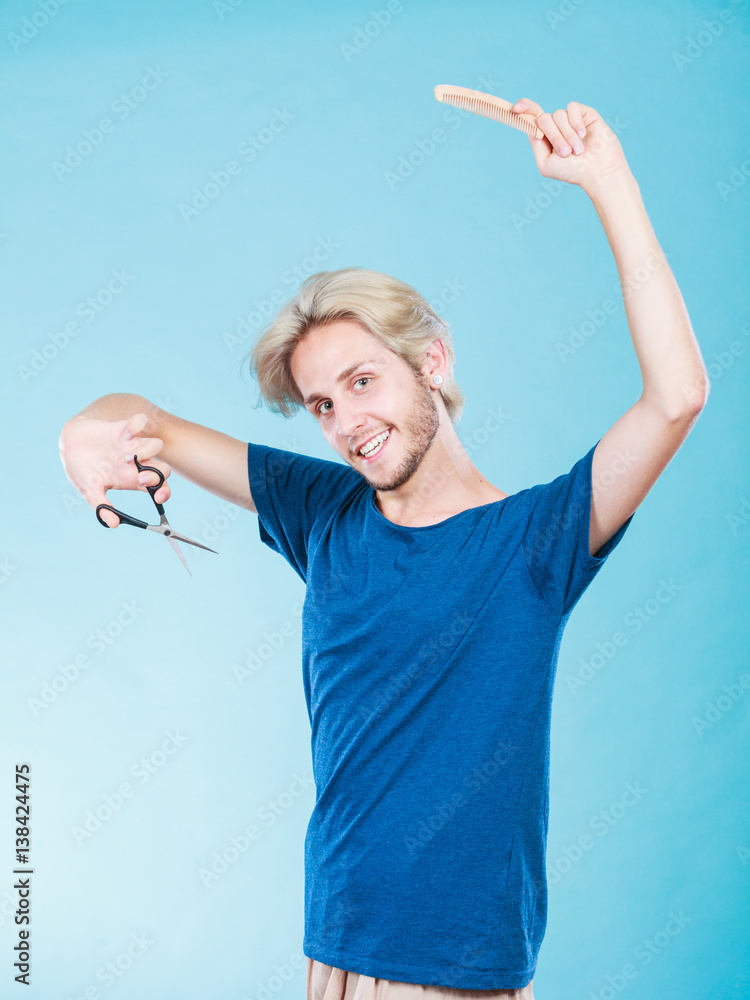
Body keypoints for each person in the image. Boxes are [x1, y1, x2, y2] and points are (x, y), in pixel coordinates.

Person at [59, 97, 709, 998]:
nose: (347, 424)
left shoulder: (534, 540)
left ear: (432, 361)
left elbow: (676, 396)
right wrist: (80, 437)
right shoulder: (322, 510)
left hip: (459, 968)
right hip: (333, 942)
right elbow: (147, 425)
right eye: (323, 405)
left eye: (363, 382)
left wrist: (609, 181)